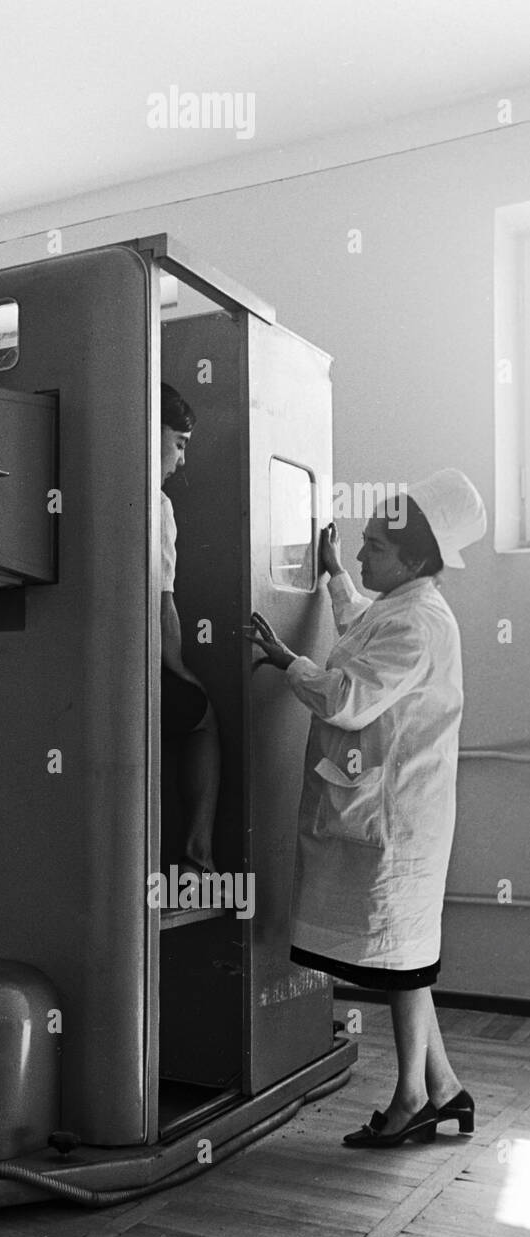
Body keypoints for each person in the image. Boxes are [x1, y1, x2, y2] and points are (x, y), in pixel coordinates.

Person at [247, 469, 487, 1148]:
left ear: (412, 559)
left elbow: (349, 699)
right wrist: (331, 579)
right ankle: (443, 1089)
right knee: (401, 960)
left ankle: (412, 1097)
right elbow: (361, 632)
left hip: (395, 822)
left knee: (400, 965)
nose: (356, 555)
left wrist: (290, 662)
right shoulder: (403, 607)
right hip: (383, 812)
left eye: (371, 548)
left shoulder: (418, 620)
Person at [160, 384, 221, 874]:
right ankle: (197, 858)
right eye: (178, 442)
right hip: (132, 674)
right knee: (201, 716)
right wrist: (178, 667)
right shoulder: (155, 506)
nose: (180, 460)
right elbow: (162, 599)